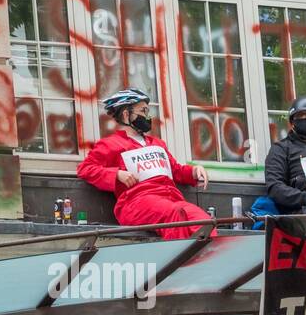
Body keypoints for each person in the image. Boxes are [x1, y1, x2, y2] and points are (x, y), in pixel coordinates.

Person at [76, 88, 214, 239]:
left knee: (207, 223)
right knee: (173, 214)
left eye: (148, 111)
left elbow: (176, 170)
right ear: (126, 114)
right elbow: (85, 168)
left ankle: (207, 260)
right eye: (143, 110)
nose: (148, 116)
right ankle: (183, 260)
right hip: (136, 203)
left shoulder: (158, 144)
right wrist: (116, 174)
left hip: (172, 199)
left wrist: (194, 171)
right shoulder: (110, 144)